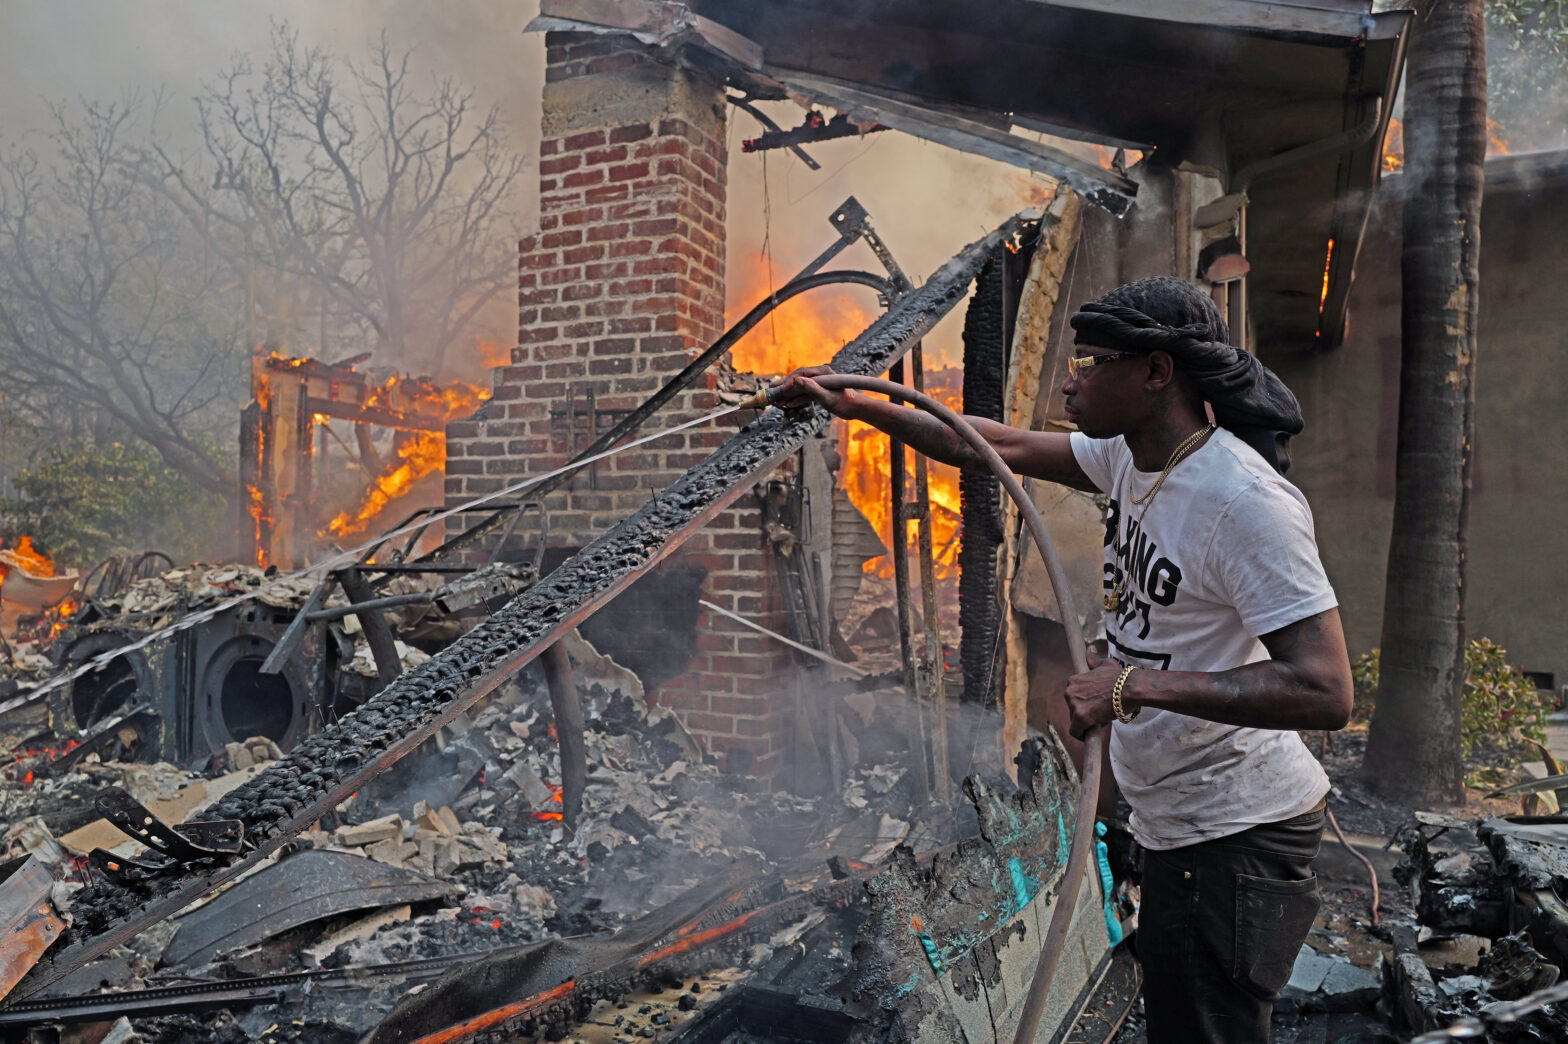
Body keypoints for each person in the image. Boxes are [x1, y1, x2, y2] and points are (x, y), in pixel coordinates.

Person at [770, 275, 1353, 1043]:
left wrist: (1133, 685)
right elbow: (992, 446)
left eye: (1092, 363)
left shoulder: (1243, 501)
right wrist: (856, 405)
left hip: (1237, 835)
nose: (1071, 381)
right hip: (1179, 825)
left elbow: (1325, 690)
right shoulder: (1130, 459)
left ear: (1155, 372)